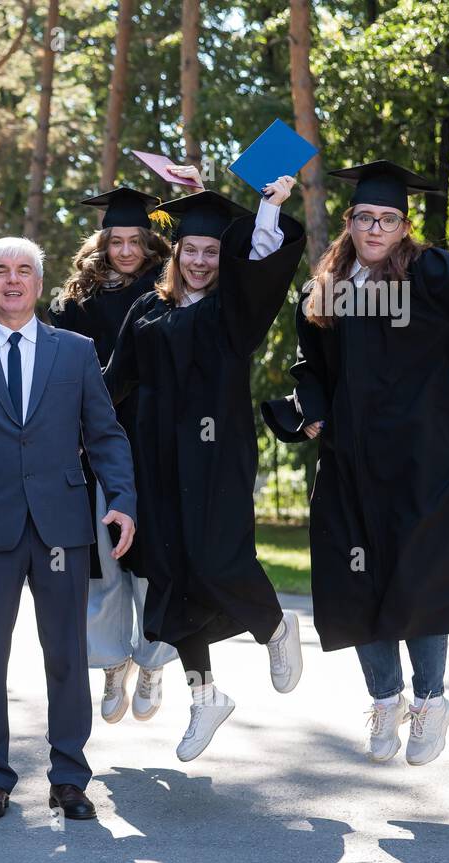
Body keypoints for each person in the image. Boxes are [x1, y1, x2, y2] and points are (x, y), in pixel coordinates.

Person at [262, 160, 449, 766]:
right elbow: (311, 364)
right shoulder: (330, 287)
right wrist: (311, 410)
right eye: (365, 216)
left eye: (387, 218)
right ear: (350, 220)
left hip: (422, 461)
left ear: (403, 224)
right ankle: (386, 698)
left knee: (420, 579)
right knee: (356, 581)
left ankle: (431, 702)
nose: (375, 227)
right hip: (350, 463)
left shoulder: (431, 272)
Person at [0, 235, 138, 822]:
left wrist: (123, 499)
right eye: (0, 272)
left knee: (65, 653)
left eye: (24, 271)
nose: (12, 280)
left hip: (62, 528)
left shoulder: (77, 352)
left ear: (39, 285)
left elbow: (107, 435)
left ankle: (69, 776)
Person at [103, 181, 307, 762]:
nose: (198, 262)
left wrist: (268, 207)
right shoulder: (148, 307)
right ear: (174, 253)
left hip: (216, 456)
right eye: (190, 250)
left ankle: (273, 627)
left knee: (218, 559)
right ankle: (205, 695)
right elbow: (114, 379)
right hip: (156, 460)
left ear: (225, 258)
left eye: (211, 252)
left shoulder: (234, 308)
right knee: (168, 574)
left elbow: (263, 262)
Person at [51, 183, 178, 725]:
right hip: (93, 442)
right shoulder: (75, 300)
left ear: (150, 243)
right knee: (102, 565)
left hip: (153, 439)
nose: (125, 250)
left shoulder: (167, 292)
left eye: (135, 240)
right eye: (115, 240)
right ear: (101, 243)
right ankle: (109, 664)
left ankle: (151, 661)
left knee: (150, 564)